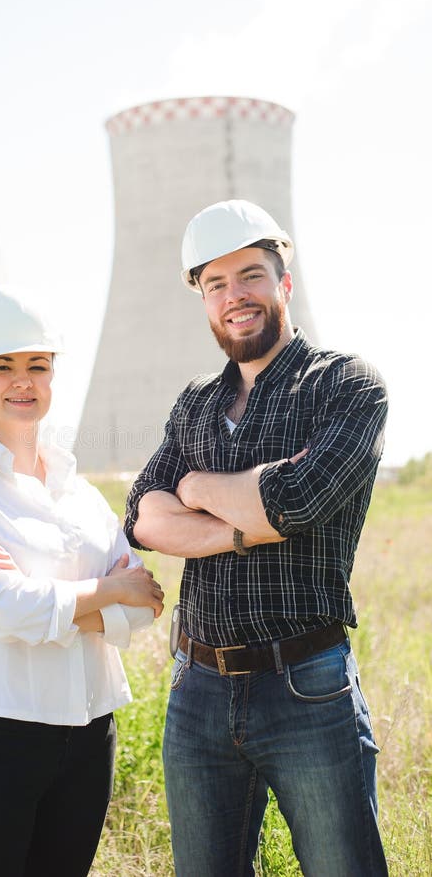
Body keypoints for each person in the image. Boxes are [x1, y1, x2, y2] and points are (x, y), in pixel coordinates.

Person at [124, 199, 388, 877]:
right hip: (197, 690)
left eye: (249, 275)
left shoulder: (344, 385)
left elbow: (297, 502)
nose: (233, 296)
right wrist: (245, 521)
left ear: (283, 283)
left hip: (306, 685)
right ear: (202, 299)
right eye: (215, 284)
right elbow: (142, 518)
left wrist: (196, 487)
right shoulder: (194, 402)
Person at [0, 285, 164, 877]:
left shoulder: (80, 496)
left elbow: (146, 605)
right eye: (2, 366)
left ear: (53, 376)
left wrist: (52, 607)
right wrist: (107, 591)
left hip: (88, 738)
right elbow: (8, 608)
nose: (21, 381)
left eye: (37, 366)